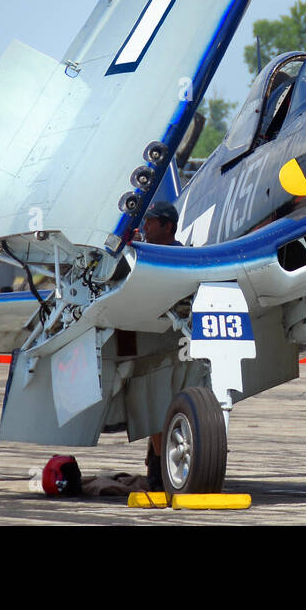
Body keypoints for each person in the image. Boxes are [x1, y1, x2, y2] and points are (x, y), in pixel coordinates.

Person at [139, 200, 180, 489]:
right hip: (150, 344)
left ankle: (160, 470)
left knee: (164, 407)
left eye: (152, 221)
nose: (145, 225)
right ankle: (157, 466)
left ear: (168, 226)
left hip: (176, 347)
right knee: (154, 408)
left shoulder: (182, 257)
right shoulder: (141, 255)